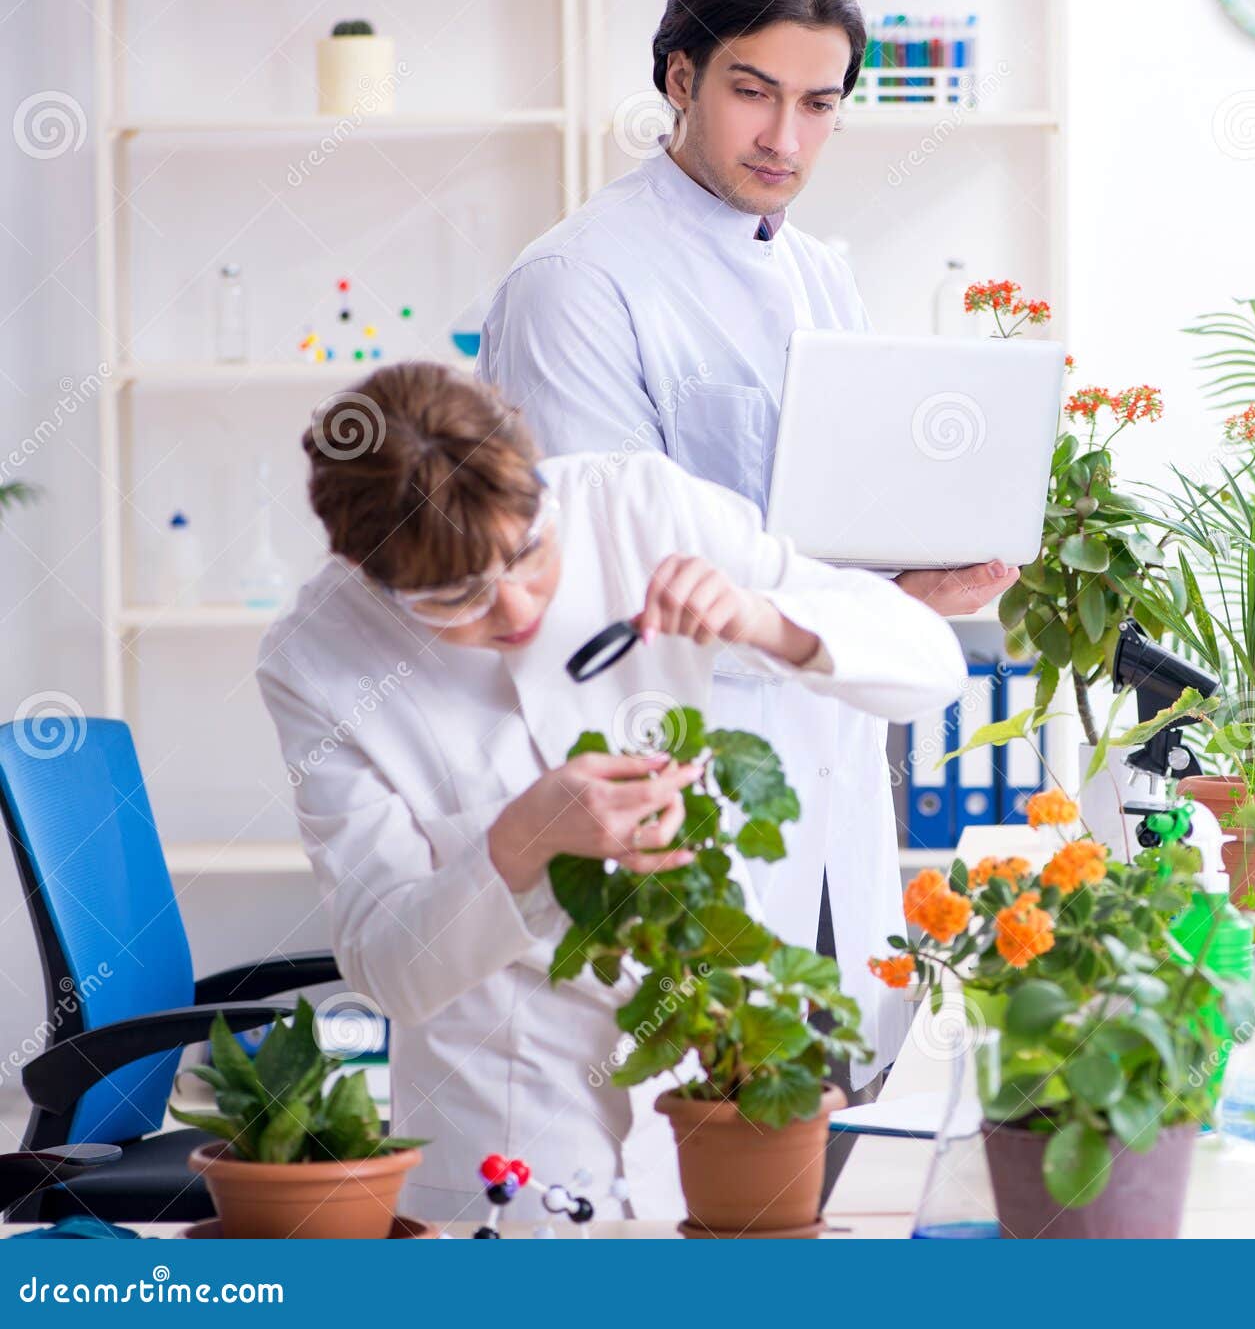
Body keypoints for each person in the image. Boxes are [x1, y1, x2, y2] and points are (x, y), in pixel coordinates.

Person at [478, 0, 1016, 1085]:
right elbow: (613, 587)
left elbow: (829, 539)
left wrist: (916, 579)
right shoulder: (576, 283)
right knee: (707, 1149)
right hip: (685, 788)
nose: (784, 139)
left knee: (842, 1125)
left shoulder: (823, 273)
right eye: (751, 93)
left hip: (833, 778)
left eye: (818, 104)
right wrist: (869, 604)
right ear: (680, 80)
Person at [255, 362, 964, 1225]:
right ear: (371, 573)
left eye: (528, 554)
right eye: (455, 598)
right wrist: (516, 845)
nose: (514, 607)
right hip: (505, 1116)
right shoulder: (319, 659)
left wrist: (761, 619)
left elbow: (930, 664)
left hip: (709, 1080)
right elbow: (387, 965)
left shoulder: (634, 507)